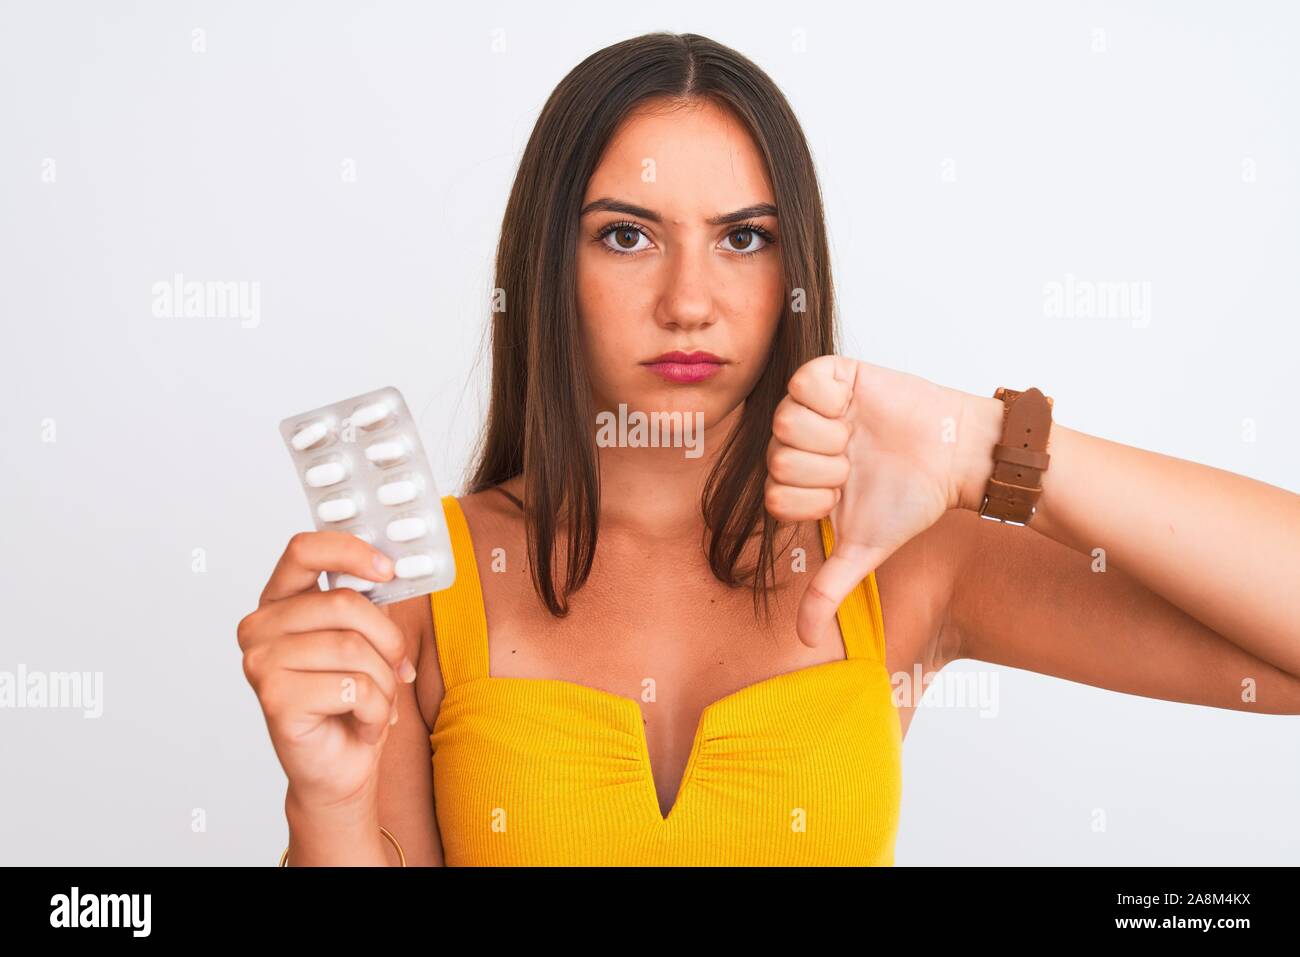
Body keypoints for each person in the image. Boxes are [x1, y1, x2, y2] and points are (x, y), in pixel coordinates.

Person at [237, 32, 1300, 866]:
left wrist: (984, 444)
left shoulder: (903, 555)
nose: (689, 302)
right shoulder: (421, 585)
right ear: (545, 266)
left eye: (743, 238)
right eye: (626, 234)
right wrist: (321, 802)